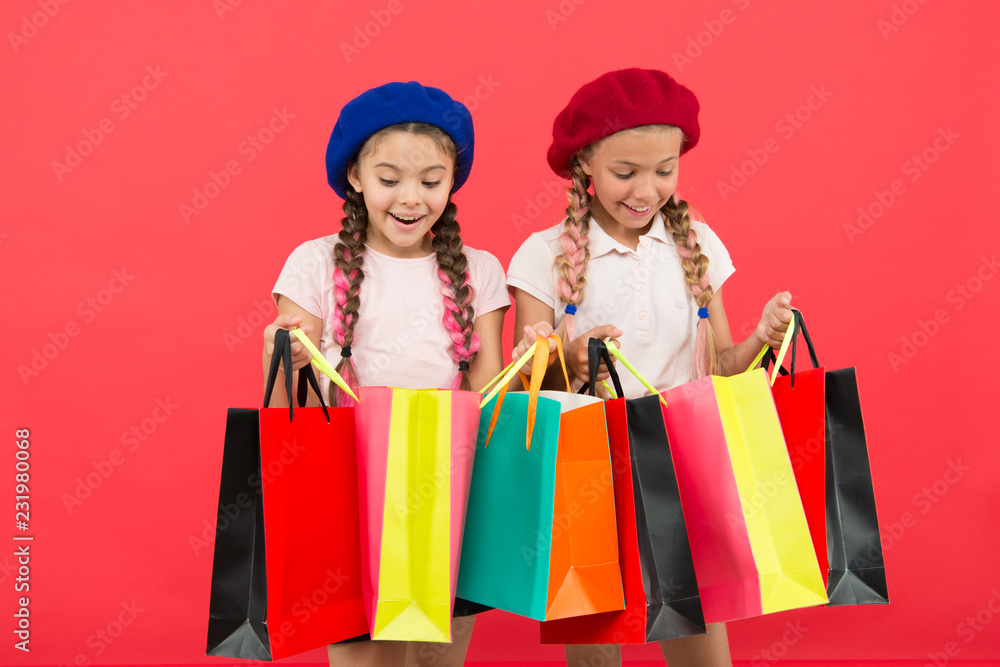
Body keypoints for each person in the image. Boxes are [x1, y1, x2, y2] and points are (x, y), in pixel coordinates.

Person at [507, 68, 793, 667]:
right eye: (625, 172)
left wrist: (763, 340)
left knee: (693, 620)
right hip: (582, 460)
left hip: (680, 453)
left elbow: (720, 369)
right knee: (592, 630)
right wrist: (571, 359)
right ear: (585, 163)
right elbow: (527, 388)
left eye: (664, 170)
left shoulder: (698, 246)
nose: (646, 190)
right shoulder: (542, 256)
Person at [261, 81, 510, 667]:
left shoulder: (481, 270)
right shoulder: (315, 261)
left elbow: (489, 390)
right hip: (349, 485)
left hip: (450, 484)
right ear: (355, 177)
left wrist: (532, 356)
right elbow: (281, 401)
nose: (411, 198)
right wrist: (285, 349)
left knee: (433, 655)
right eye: (389, 178)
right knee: (364, 654)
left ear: (452, 183)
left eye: (431, 182)